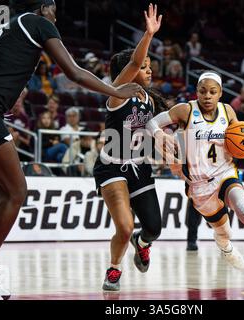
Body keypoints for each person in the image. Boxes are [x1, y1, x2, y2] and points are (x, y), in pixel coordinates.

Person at [0, 0, 141, 300]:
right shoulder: (38, 23)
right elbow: (74, 73)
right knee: (17, 192)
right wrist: (117, 90)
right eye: (55, 10)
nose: (56, 17)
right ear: (43, 8)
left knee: (5, 185)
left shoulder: (3, 26)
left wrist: (9, 88)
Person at [147, 71, 244, 284]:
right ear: (196, 92)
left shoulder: (227, 111)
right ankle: (225, 247)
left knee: (243, 207)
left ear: (220, 93)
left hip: (225, 173)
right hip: (199, 186)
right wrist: (159, 133)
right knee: (224, 232)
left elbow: (242, 135)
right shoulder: (185, 110)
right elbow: (151, 123)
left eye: (212, 92)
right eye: (202, 91)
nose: (207, 96)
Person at [93, 4, 164, 291]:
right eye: (144, 67)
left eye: (149, 67)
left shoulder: (149, 99)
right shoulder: (117, 94)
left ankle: (142, 243)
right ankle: (114, 268)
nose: (148, 71)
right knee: (123, 226)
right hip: (111, 166)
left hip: (140, 167)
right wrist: (148, 35)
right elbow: (134, 63)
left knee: (154, 229)